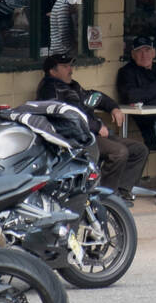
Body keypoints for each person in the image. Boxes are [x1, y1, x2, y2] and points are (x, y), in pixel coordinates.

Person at [37, 54, 148, 205]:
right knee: (119, 152)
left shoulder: (72, 86)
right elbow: (66, 117)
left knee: (139, 149)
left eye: (70, 65)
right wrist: (96, 126)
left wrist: (114, 108)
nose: (70, 69)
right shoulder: (50, 89)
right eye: (65, 66)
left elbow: (95, 97)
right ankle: (104, 199)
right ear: (52, 71)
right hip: (77, 138)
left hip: (93, 134)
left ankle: (121, 192)